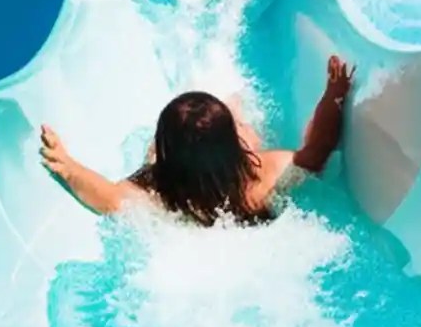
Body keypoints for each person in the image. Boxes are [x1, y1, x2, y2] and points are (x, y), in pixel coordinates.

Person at [40, 55, 356, 225]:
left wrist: (69, 168)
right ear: (231, 144)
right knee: (240, 118)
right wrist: (334, 97)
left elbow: (109, 199)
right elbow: (316, 153)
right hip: (246, 221)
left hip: (190, 210)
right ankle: (231, 109)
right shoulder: (262, 177)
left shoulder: (157, 194)